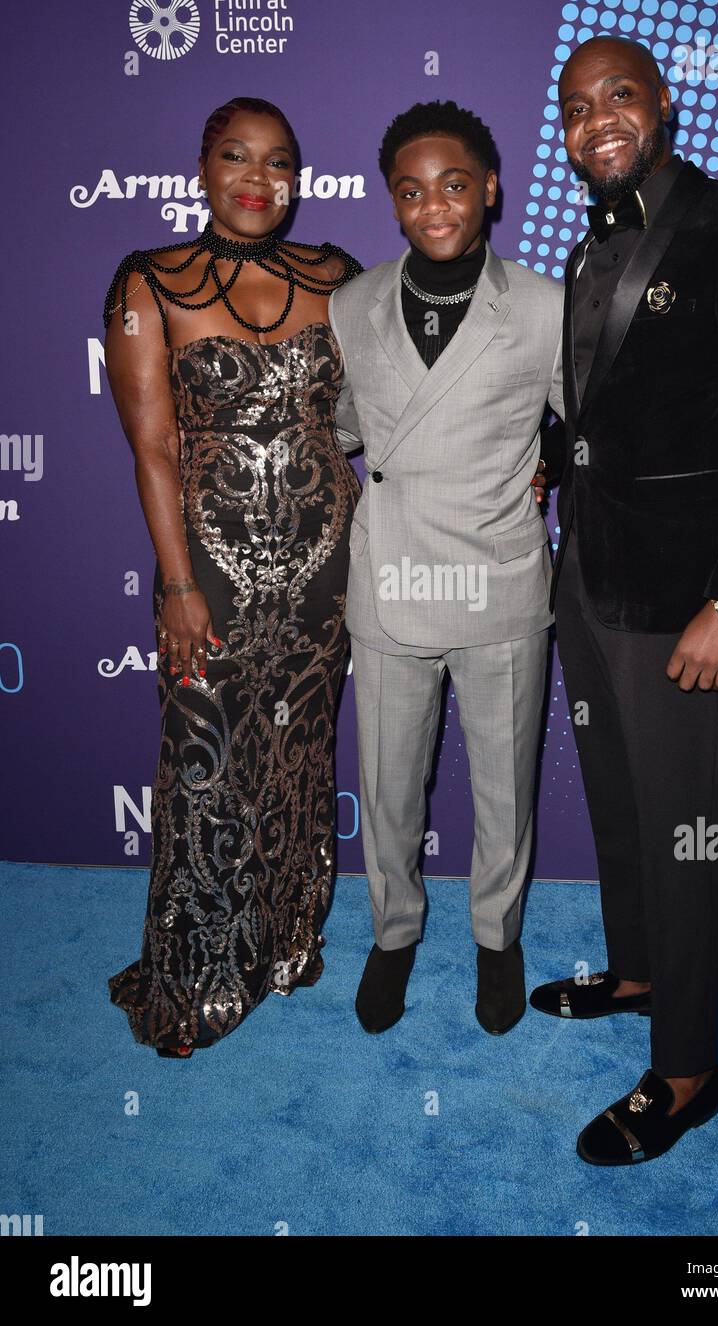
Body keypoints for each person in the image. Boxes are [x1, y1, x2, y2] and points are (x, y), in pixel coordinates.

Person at [530, 37, 718, 1162]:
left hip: (682, 598)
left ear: (661, 104)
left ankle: (686, 1068)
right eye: (573, 108)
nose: (594, 120)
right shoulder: (582, 248)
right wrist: (545, 454)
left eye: (616, 98)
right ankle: (638, 970)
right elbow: (604, 407)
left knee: (688, 828)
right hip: (588, 579)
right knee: (618, 803)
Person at [103, 97, 362, 1057]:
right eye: (237, 156)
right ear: (203, 167)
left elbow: (395, 405)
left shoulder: (338, 275)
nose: (259, 177)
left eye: (279, 161)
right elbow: (155, 445)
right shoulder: (150, 281)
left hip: (323, 564)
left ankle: (287, 939)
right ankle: (202, 970)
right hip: (207, 568)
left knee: (298, 757)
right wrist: (176, 586)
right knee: (206, 764)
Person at [328, 100, 564, 1037]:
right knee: (388, 786)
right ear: (392, 202)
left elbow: (583, 420)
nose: (435, 206)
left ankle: (497, 941)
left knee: (506, 786)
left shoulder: (546, 305)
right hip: (389, 581)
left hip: (498, 579)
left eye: (455, 184)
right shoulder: (352, 303)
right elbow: (345, 424)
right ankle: (393, 935)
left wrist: (548, 462)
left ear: (490, 189)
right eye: (412, 190)